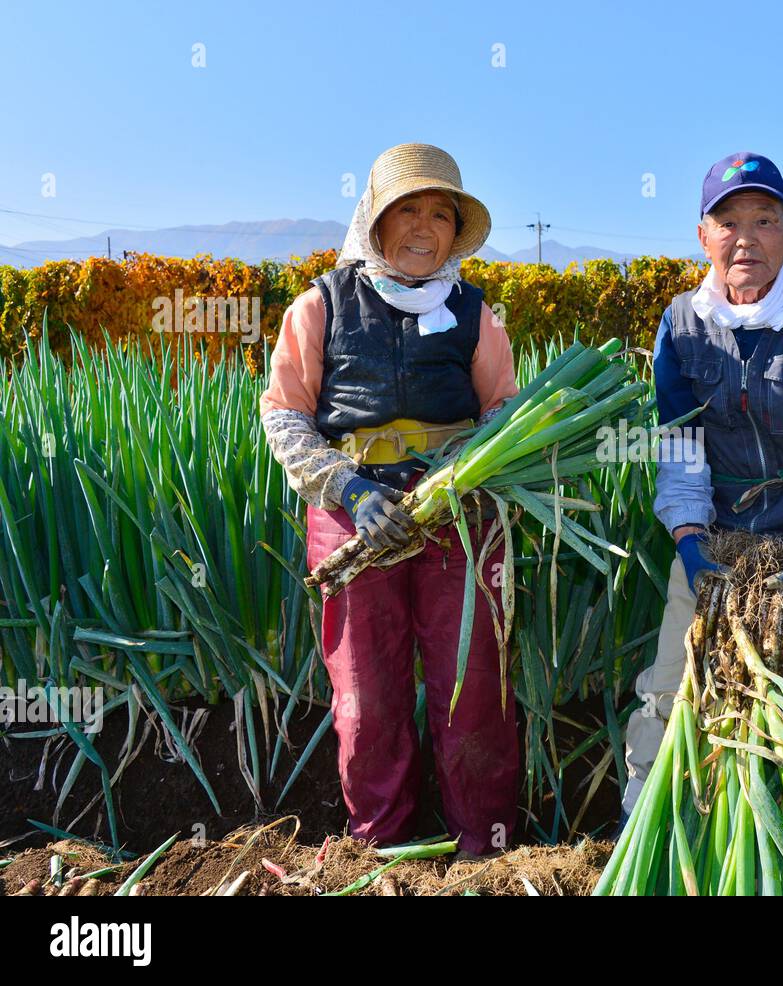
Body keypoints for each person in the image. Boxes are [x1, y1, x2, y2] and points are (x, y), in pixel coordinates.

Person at [259, 143, 520, 857]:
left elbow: (504, 411)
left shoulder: (473, 312)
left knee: (473, 690)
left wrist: (460, 475)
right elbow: (284, 415)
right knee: (366, 698)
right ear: (374, 220)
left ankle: (483, 853)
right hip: (353, 519)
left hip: (459, 518)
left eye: (441, 214)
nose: (424, 227)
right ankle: (378, 851)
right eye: (408, 208)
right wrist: (348, 487)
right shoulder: (322, 305)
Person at [623, 151, 783, 837]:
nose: (746, 238)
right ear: (704, 235)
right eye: (729, 221)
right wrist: (688, 541)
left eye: (764, 220)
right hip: (717, 539)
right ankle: (642, 816)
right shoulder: (681, 324)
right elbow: (678, 442)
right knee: (669, 687)